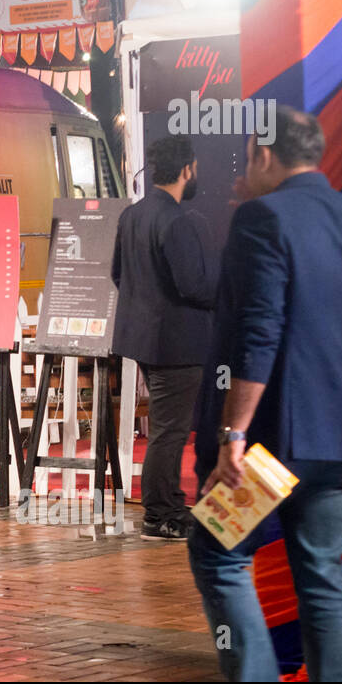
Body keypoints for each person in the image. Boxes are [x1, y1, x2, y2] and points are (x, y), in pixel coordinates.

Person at [188, 108, 342, 682]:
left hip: (274, 445)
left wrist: (233, 435)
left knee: (217, 552)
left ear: (262, 154)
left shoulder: (262, 218)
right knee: (321, 573)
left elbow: (261, 331)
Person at [111, 135, 218, 541]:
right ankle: (160, 516)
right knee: (170, 431)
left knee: (165, 428)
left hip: (143, 340)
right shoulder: (179, 221)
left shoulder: (131, 216)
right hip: (177, 342)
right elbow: (193, 285)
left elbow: (118, 275)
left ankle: (169, 504)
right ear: (187, 168)